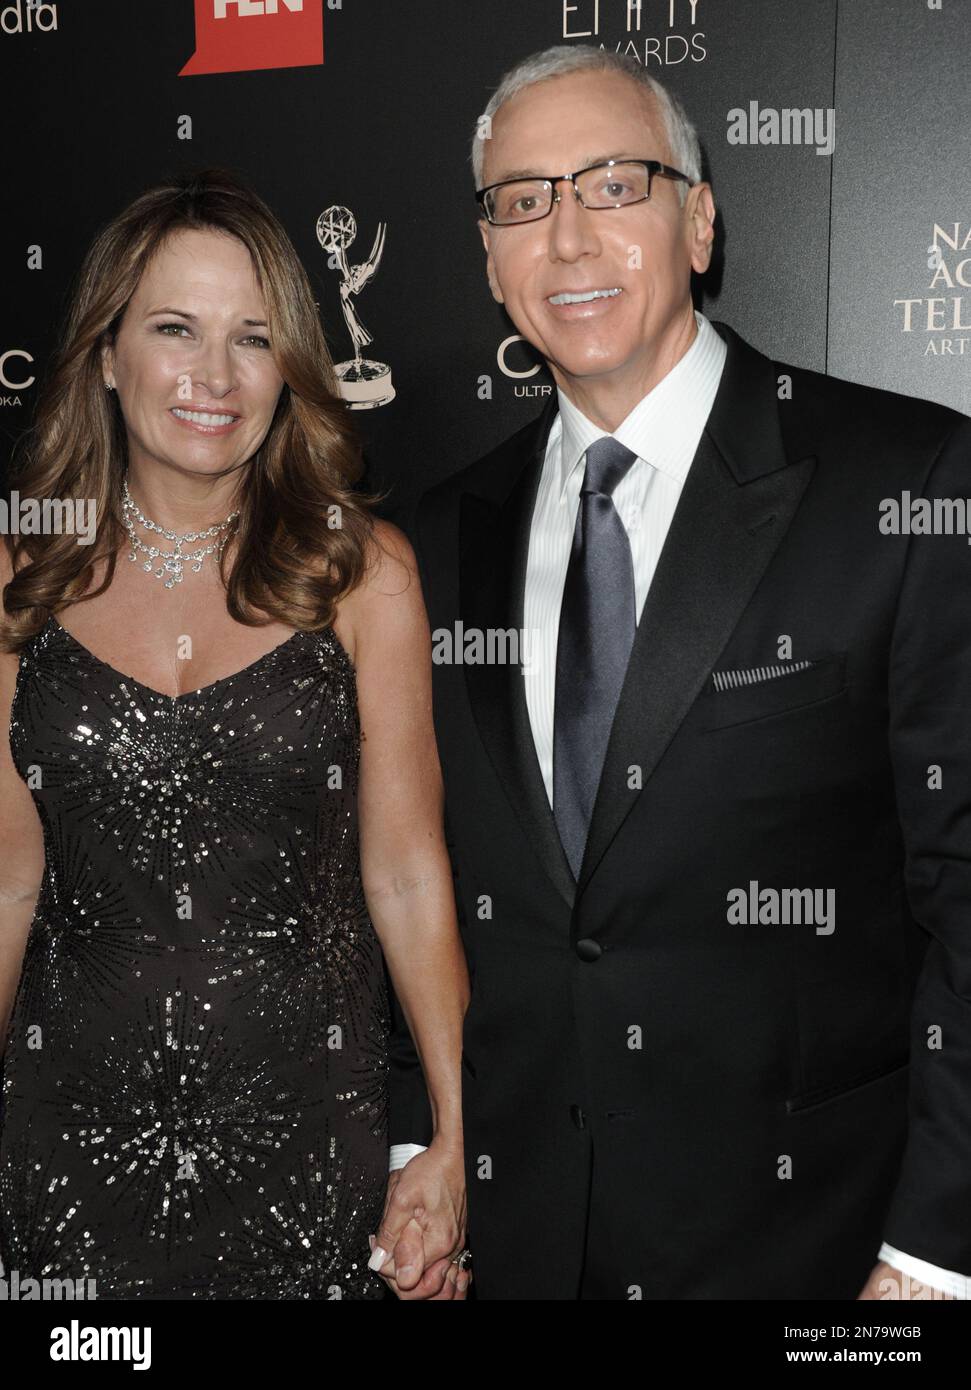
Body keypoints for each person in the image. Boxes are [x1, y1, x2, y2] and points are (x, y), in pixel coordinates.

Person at [386, 45, 971, 1299]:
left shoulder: (904, 483)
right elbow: (408, 875)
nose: (568, 238)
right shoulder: (434, 537)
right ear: (489, 260)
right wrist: (418, 1139)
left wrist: (928, 1254)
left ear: (697, 221)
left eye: (612, 184)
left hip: (816, 1252)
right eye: (523, 201)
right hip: (523, 1247)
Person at [0, 168, 470, 1301]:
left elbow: (406, 873)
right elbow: (7, 881)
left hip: (314, 1140)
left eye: (253, 338)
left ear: (289, 369)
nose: (213, 377)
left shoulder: (361, 572)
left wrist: (450, 1136)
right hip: (68, 1135)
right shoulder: (19, 579)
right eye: (175, 330)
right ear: (108, 354)